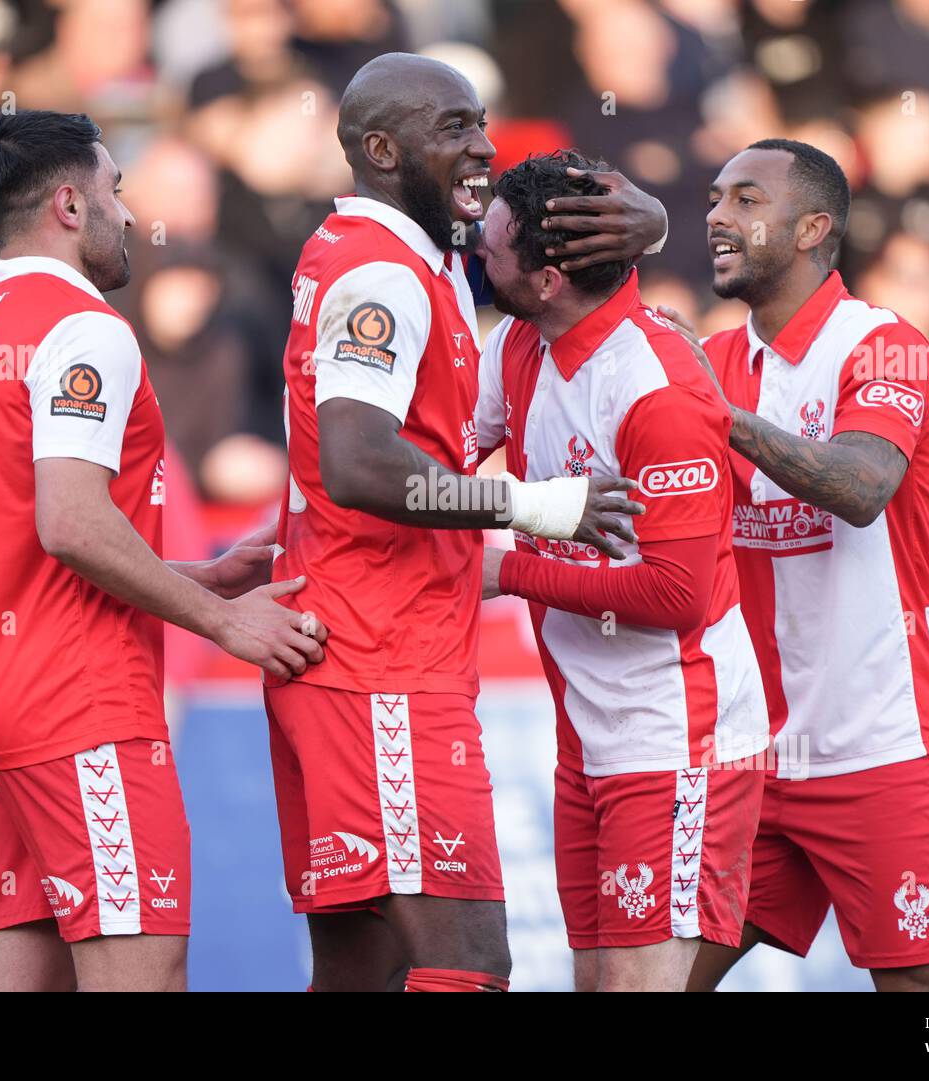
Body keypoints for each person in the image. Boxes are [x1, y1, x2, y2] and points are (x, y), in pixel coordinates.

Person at [268, 53, 666, 992]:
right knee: (470, 965)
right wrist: (534, 506)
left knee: (364, 971)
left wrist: (646, 224)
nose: (483, 146)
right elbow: (359, 461)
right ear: (380, 149)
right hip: (381, 660)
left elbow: (545, 249)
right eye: (454, 128)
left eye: (482, 122)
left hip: (356, 650)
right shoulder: (383, 276)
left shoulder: (411, 255)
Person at [0, 108, 326, 992]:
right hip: (78, 703)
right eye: (116, 189)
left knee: (22, 974)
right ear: (69, 204)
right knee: (141, 969)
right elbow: (68, 523)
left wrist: (196, 571)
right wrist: (223, 620)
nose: (130, 213)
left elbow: (23, 543)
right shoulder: (86, 328)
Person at [649, 139, 929, 991]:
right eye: (715, 197)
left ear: (812, 228)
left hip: (886, 743)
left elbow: (863, 485)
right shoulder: (713, 362)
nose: (718, 215)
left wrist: (720, 419)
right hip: (755, 755)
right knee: (653, 979)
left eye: (747, 200)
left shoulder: (887, 345)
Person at [474, 151, 769, 992]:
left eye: (493, 249)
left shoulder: (657, 389)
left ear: (550, 277)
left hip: (680, 737)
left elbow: (674, 596)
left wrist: (512, 571)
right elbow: (442, 463)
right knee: (600, 982)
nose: (477, 257)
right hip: (591, 736)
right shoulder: (520, 347)